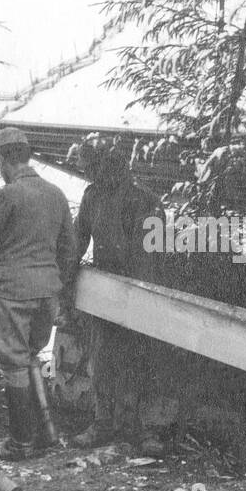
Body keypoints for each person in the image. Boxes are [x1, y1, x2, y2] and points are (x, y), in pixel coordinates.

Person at [0, 127, 78, 460]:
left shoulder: (7, 195)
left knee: (15, 362)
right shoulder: (56, 194)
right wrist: (55, 286)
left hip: (15, 291)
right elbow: (70, 250)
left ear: (2, 159)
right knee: (32, 356)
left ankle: (21, 442)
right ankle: (45, 433)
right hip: (48, 292)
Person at [69, 138, 174, 455]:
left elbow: (150, 255)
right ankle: (102, 424)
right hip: (103, 293)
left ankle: (134, 428)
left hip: (136, 291)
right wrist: (67, 277)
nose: (90, 174)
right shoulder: (92, 197)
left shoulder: (145, 201)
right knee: (100, 360)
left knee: (134, 361)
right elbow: (78, 240)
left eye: (94, 167)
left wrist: (138, 299)